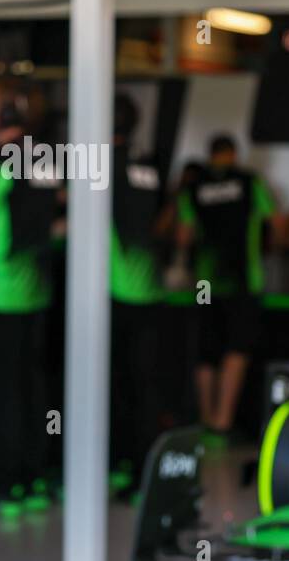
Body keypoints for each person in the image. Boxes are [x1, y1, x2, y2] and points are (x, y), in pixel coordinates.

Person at [0, 80, 63, 517]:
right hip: (37, 291)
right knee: (32, 385)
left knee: (3, 388)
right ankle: (33, 476)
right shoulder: (45, 158)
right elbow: (63, 222)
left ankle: (6, 483)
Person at [175, 134, 277, 445]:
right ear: (233, 154)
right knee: (237, 347)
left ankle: (206, 417)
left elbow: (183, 236)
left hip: (206, 282)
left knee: (207, 349)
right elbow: (275, 222)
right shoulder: (249, 182)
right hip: (243, 278)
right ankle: (223, 420)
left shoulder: (193, 186)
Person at [108, 94, 166, 497]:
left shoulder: (101, 164)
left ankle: (116, 467)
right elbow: (164, 219)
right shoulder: (150, 164)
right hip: (150, 290)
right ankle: (144, 470)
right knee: (145, 386)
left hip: (114, 290)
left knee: (116, 388)